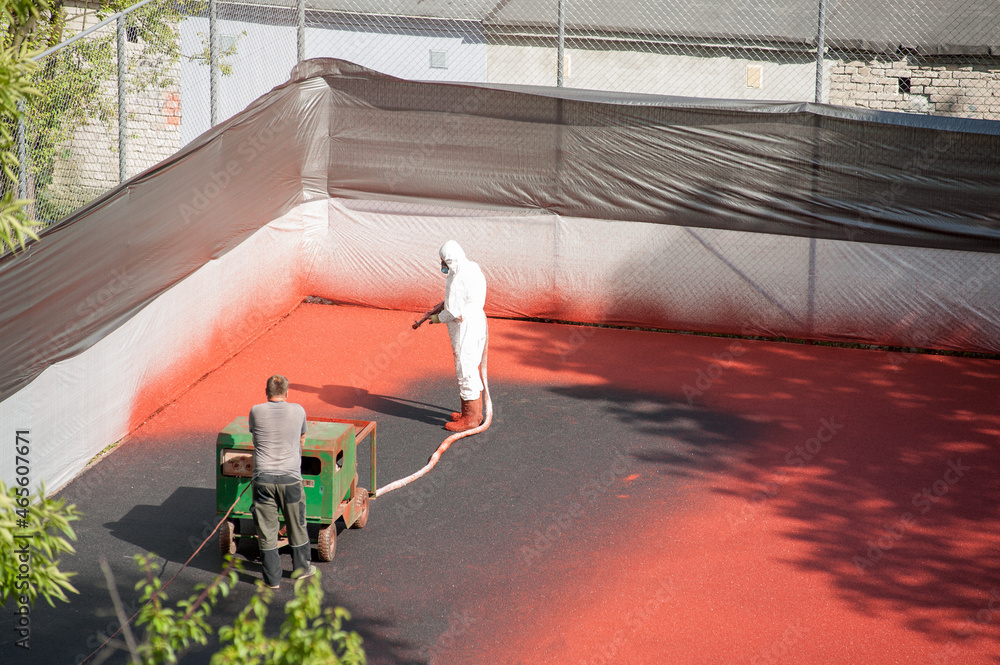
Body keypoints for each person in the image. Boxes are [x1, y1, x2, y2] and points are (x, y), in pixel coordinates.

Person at [248, 374, 315, 588]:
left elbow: (256, 438)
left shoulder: (256, 411)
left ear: (266, 392)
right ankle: (301, 570)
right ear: (287, 393)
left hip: (263, 480)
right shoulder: (298, 410)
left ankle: (272, 580)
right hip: (291, 480)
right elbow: (302, 438)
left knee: (267, 530)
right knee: (296, 524)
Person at [428, 240, 488, 432]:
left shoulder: (458, 277)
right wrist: (444, 303)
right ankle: (474, 413)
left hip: (465, 326)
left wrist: (438, 318)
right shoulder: (471, 267)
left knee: (465, 368)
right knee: (471, 366)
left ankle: (469, 419)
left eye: (444, 261)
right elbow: (462, 297)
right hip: (476, 320)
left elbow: (453, 311)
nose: (443, 265)